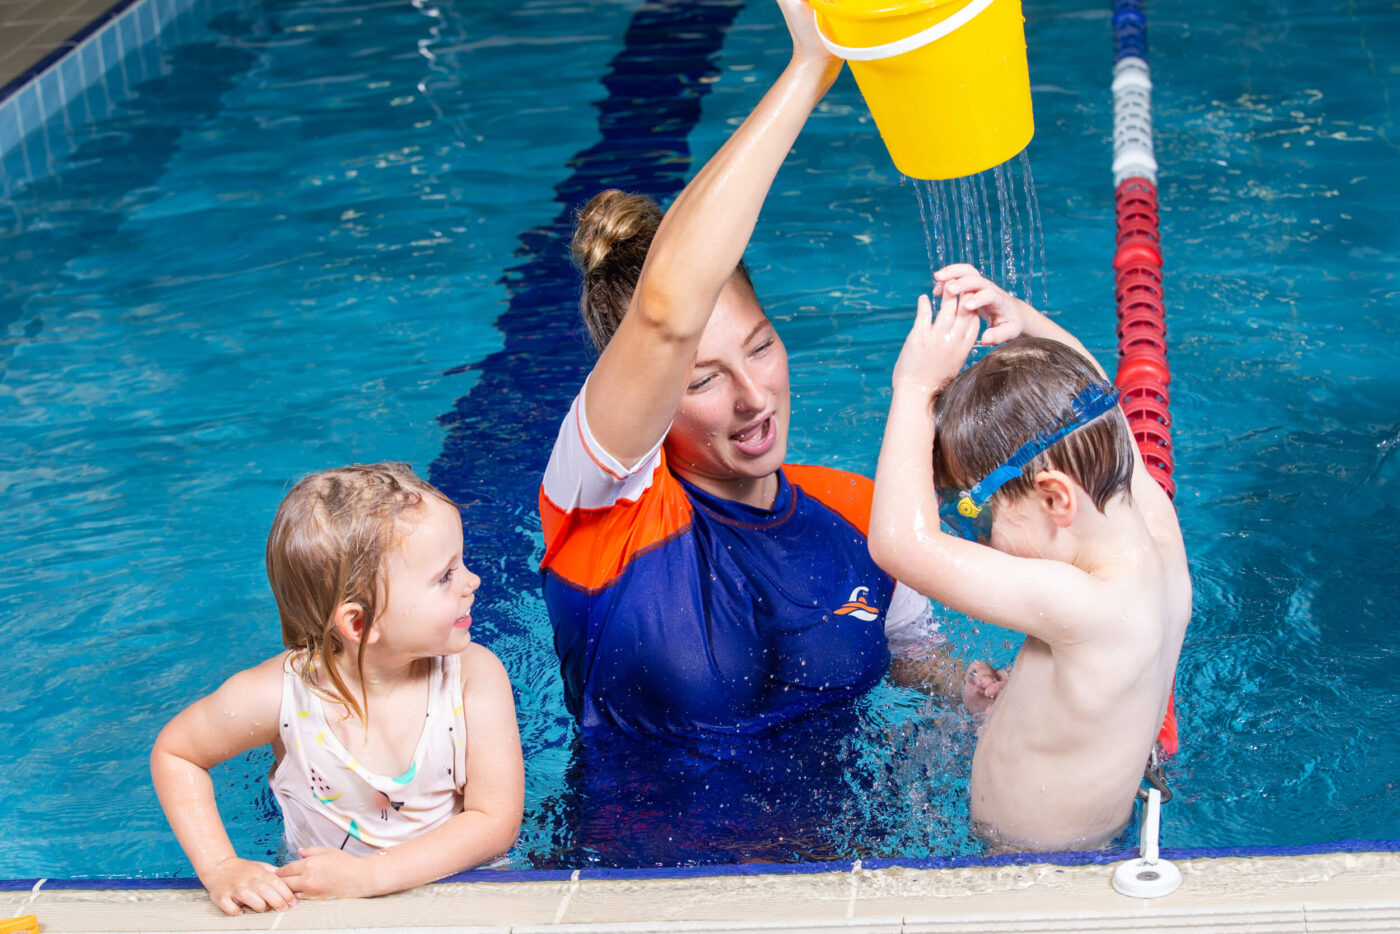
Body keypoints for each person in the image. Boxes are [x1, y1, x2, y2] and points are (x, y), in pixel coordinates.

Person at [538, 0, 959, 744]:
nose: (754, 396)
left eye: (760, 347)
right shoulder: (603, 509)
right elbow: (665, 312)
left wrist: (994, 696)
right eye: (702, 380)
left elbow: (921, 665)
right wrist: (811, 68)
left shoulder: (861, 514)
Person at [868, 264, 1191, 851]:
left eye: (975, 515)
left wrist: (913, 389)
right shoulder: (1159, 536)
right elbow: (1099, 400)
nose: (978, 540)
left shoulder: (1087, 606)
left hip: (1025, 874)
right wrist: (1022, 317)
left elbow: (900, 545)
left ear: (1055, 499)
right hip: (1091, 834)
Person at [151, 463, 524, 914]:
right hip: (321, 901)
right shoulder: (280, 696)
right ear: (359, 624)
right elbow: (178, 754)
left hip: (461, 885)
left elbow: (495, 821)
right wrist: (221, 867)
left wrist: (369, 876)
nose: (472, 581)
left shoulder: (473, 678)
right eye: (445, 575)